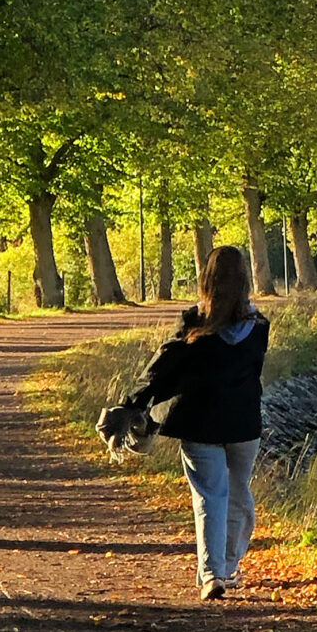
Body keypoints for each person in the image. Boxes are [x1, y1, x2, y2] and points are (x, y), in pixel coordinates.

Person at [121, 245, 269, 600]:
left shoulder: (193, 321)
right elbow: (255, 373)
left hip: (200, 423)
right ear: (245, 280)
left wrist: (134, 404)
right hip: (243, 424)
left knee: (209, 497)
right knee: (237, 495)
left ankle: (212, 574)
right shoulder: (259, 326)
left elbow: (163, 367)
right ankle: (228, 566)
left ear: (207, 279)